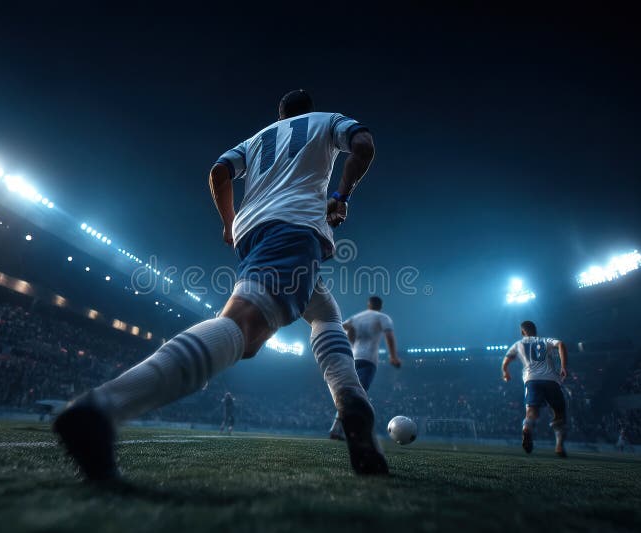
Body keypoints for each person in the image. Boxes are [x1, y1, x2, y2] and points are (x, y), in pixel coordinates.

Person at [54, 89, 388, 480]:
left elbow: (219, 172)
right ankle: (101, 409)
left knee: (324, 313)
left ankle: (351, 398)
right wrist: (340, 196)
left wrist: (229, 222)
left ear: (279, 116)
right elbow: (363, 145)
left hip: (255, 230)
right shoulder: (327, 120)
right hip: (294, 226)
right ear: (308, 111)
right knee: (244, 326)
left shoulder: (257, 138)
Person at [329, 296, 401, 440]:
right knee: (357, 395)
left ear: (369, 304)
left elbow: (340, 328)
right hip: (368, 360)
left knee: (351, 394)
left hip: (353, 359)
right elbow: (389, 336)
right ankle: (343, 429)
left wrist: (348, 343)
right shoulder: (382, 317)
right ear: (380, 306)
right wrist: (393, 356)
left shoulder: (357, 317)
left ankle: (338, 428)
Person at [501, 320, 569, 457]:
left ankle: (526, 429)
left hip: (531, 380)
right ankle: (559, 446)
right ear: (535, 330)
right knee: (559, 413)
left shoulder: (518, 344)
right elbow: (561, 344)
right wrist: (563, 366)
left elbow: (506, 361)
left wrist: (505, 372)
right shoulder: (545, 340)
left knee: (531, 412)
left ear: (522, 332)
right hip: (551, 380)